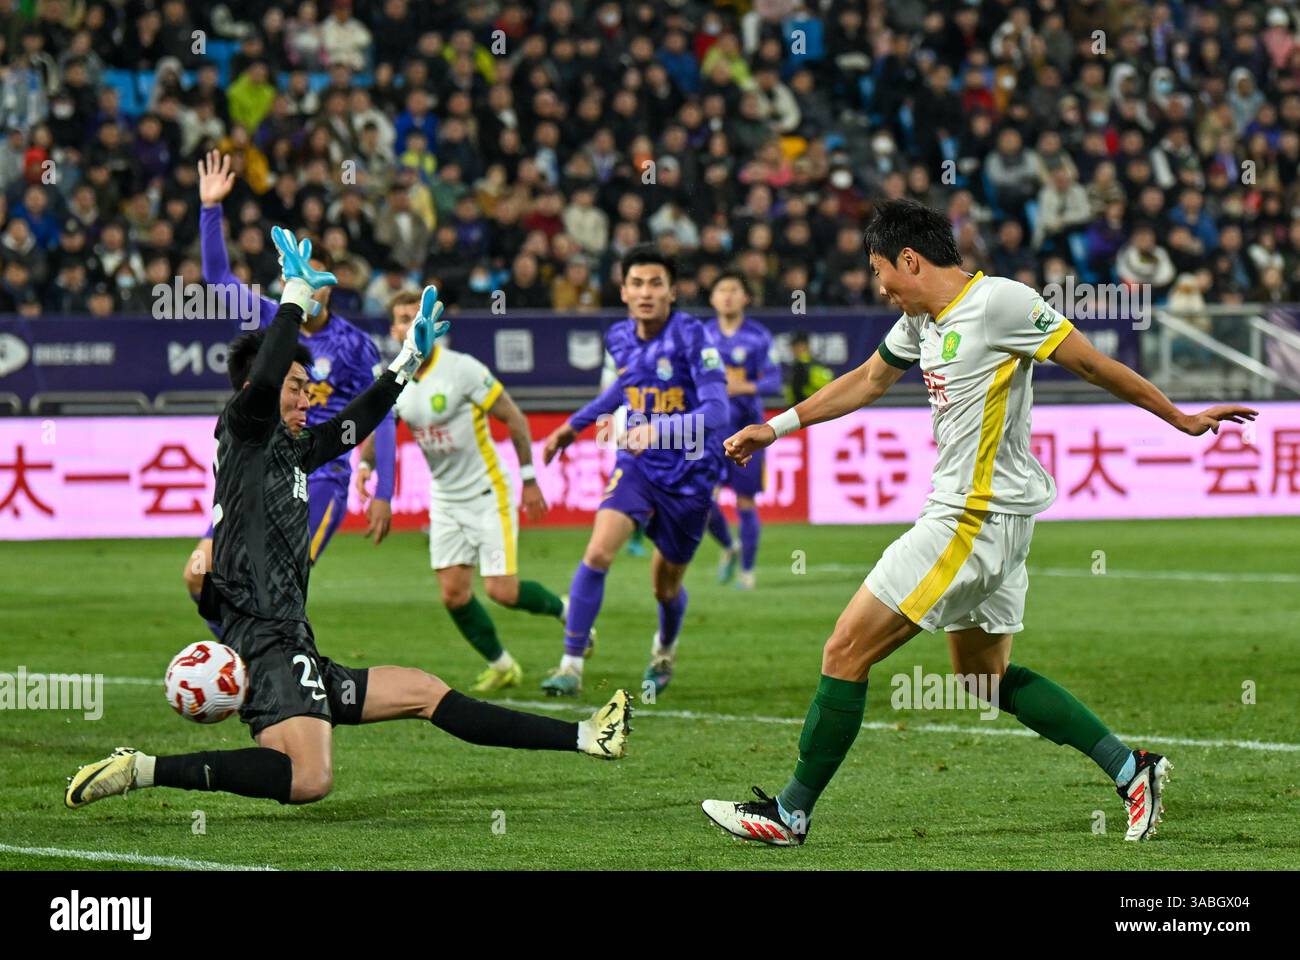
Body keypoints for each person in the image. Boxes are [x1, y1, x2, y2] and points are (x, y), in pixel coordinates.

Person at [701, 199, 1256, 845]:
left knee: (845, 650)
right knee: (982, 676)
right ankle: (1133, 769)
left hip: (971, 517)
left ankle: (790, 813)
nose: (880, 287)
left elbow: (1091, 363)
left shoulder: (1001, 303)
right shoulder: (921, 320)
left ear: (911, 260)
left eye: (881, 271)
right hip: (996, 521)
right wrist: (776, 427)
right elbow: (869, 380)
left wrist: (1180, 417)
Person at [66, 231, 631, 811]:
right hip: (266, 644)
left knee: (424, 691)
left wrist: (406, 362)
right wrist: (294, 296)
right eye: (296, 387)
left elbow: (354, 424)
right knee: (309, 778)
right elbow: (267, 375)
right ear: (258, 388)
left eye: (308, 389)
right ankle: (143, 769)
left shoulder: (290, 450)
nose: (306, 399)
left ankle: (588, 736)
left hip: (291, 639)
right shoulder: (245, 428)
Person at [182, 151, 397, 640]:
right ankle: (246, 658)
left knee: (274, 581)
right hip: (255, 469)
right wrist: (210, 208)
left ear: (330, 285)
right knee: (199, 574)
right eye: (300, 279)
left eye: (317, 281)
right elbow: (218, 279)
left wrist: (384, 490)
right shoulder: (270, 319)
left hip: (317, 475)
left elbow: (383, 415)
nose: (310, 291)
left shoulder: (355, 345)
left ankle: (277, 662)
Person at [354, 291, 570, 694]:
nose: (410, 325)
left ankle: (568, 612)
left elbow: (515, 418)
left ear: (433, 326)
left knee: (502, 591)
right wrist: (365, 466)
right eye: (402, 319)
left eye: (416, 317)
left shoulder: (462, 369)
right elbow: (382, 427)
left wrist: (529, 479)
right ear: (394, 330)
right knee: (454, 595)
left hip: (487, 491)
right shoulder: (396, 377)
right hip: (445, 499)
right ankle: (503, 666)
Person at [539, 245, 729, 697]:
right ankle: (570, 665)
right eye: (637, 283)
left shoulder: (694, 338)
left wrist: (658, 430)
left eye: (656, 283)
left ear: (672, 292)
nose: (646, 293)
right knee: (598, 552)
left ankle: (663, 651)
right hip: (639, 465)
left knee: (666, 587)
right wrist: (573, 425)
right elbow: (623, 390)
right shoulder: (619, 337)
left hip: (691, 474)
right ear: (623, 291)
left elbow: (718, 412)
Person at [703, 271, 781, 589]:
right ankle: (728, 545)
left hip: (747, 430)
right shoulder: (703, 336)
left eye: (734, 289)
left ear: (745, 297)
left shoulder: (758, 336)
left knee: (745, 501)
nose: (728, 295)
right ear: (712, 298)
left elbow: (774, 380)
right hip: (711, 430)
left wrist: (742, 387)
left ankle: (747, 572)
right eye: (722, 289)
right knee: (701, 498)